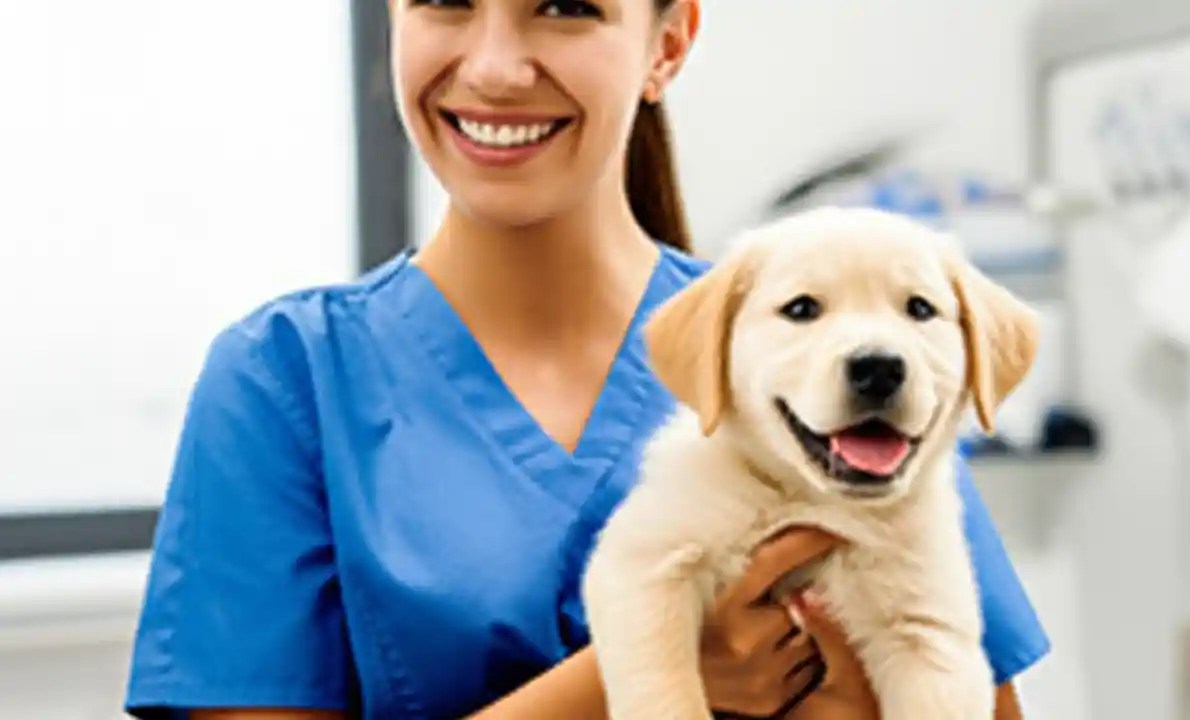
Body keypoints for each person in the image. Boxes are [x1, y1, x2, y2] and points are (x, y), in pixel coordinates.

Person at [123, 0, 1050, 718]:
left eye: (565, 5)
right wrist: (646, 672)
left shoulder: (817, 358)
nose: (491, 65)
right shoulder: (283, 382)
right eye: (443, 1)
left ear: (669, 43)